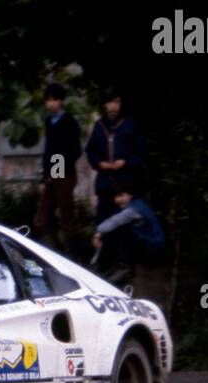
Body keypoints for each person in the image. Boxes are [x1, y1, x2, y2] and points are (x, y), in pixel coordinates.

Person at [33, 82, 82, 249]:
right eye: (48, 100)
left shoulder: (69, 122)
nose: (51, 103)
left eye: (55, 100)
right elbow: (49, 151)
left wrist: (57, 171)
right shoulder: (49, 122)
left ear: (61, 101)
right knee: (42, 217)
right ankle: (53, 251)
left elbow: (74, 151)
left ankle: (73, 256)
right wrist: (45, 177)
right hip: (52, 174)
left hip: (64, 173)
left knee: (66, 215)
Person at [85, 87, 144, 223]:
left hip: (125, 185)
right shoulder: (99, 126)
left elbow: (139, 154)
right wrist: (100, 163)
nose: (113, 107)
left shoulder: (129, 125)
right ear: (104, 104)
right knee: (104, 223)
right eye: (110, 102)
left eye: (116, 102)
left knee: (125, 225)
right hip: (104, 185)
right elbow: (90, 151)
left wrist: (125, 162)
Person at [91, 189, 165, 286]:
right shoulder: (137, 203)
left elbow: (115, 221)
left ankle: (124, 268)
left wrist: (98, 233)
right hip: (148, 242)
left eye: (122, 196)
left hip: (152, 245)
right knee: (117, 231)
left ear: (130, 195)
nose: (118, 200)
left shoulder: (134, 209)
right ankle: (114, 266)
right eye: (117, 197)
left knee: (118, 232)